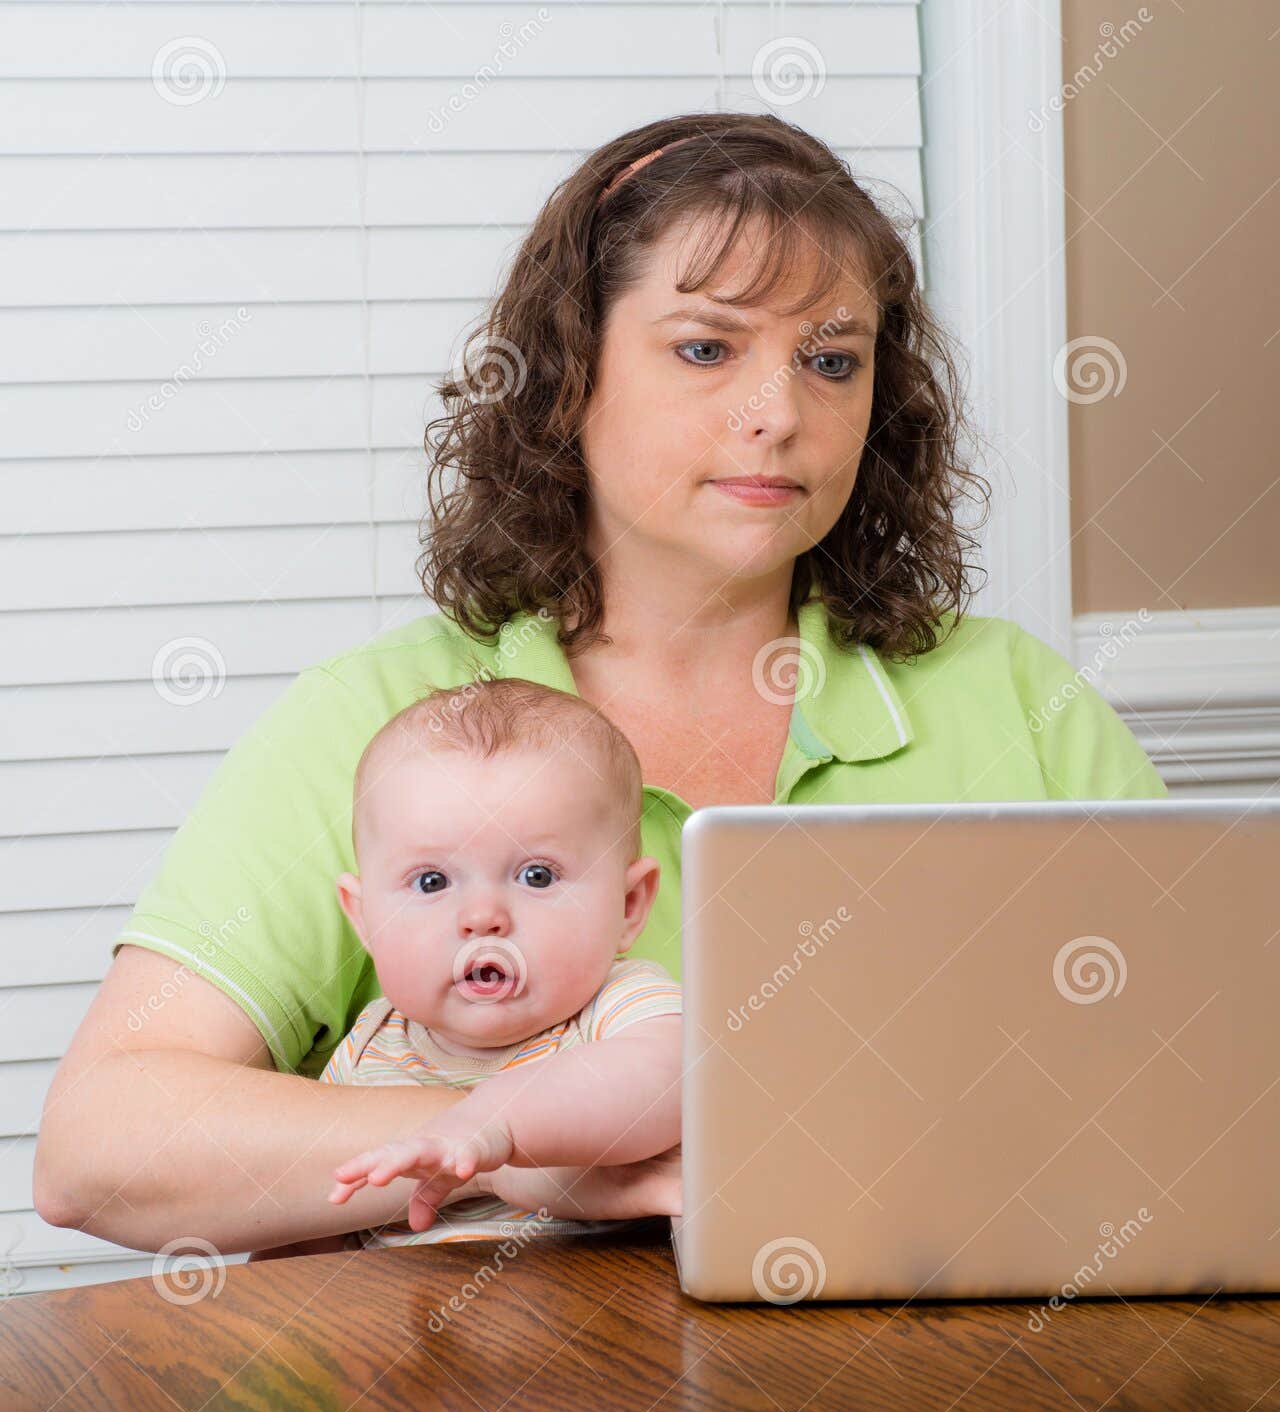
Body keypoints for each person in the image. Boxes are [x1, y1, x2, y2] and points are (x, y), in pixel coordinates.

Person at [34, 111, 1167, 1259]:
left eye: (830, 360)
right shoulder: (376, 716)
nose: (778, 412)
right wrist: (526, 1146)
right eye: (705, 348)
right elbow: (102, 1149)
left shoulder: (1018, 699)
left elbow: (1204, 1078)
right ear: (568, 376)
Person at [313, 676, 683, 1254]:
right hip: (406, 1323)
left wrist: (496, 1126)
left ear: (628, 905)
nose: (482, 917)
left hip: (606, 1316)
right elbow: (323, 1208)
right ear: (365, 918)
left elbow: (670, 1081)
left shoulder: (623, 1007)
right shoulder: (368, 1048)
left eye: (537, 876)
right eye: (431, 881)